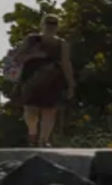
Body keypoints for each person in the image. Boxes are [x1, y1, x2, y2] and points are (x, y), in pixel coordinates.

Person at [16, 14, 76, 147]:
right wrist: (34, 55)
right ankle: (32, 133)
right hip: (31, 80)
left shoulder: (62, 44)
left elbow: (66, 64)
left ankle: (44, 141)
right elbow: (18, 58)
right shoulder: (31, 40)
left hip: (54, 80)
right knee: (31, 111)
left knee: (50, 111)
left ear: (58, 27)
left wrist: (71, 84)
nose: (51, 27)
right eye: (48, 23)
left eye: (54, 24)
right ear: (42, 25)